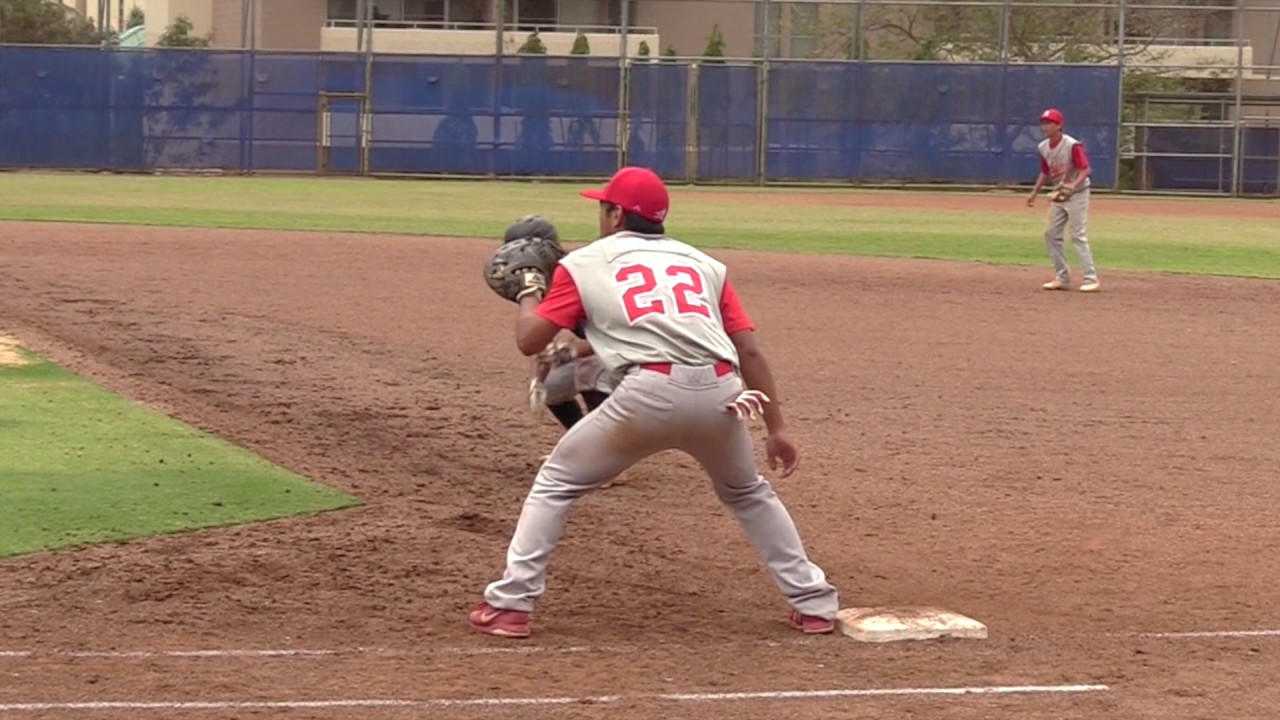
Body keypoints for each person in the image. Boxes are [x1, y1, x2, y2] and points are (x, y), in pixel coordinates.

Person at [469, 166, 840, 639]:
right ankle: (814, 605)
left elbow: (529, 341)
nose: (600, 215)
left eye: (603, 207)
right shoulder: (705, 265)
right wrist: (777, 428)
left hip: (648, 395)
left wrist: (529, 290)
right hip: (723, 395)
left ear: (617, 214)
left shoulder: (582, 263)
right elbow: (748, 350)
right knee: (748, 493)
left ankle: (510, 605)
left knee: (557, 482)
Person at [1027, 108, 1100, 293]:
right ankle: (1063, 277)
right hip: (1059, 194)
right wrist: (1034, 192)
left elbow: (1086, 170)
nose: (1045, 126)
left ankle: (1091, 278)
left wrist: (1073, 186)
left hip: (1078, 193)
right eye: (1043, 122)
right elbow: (1045, 171)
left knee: (1077, 235)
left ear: (1059, 125)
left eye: (1049, 122)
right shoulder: (1043, 147)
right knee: (1051, 234)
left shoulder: (1072, 145)